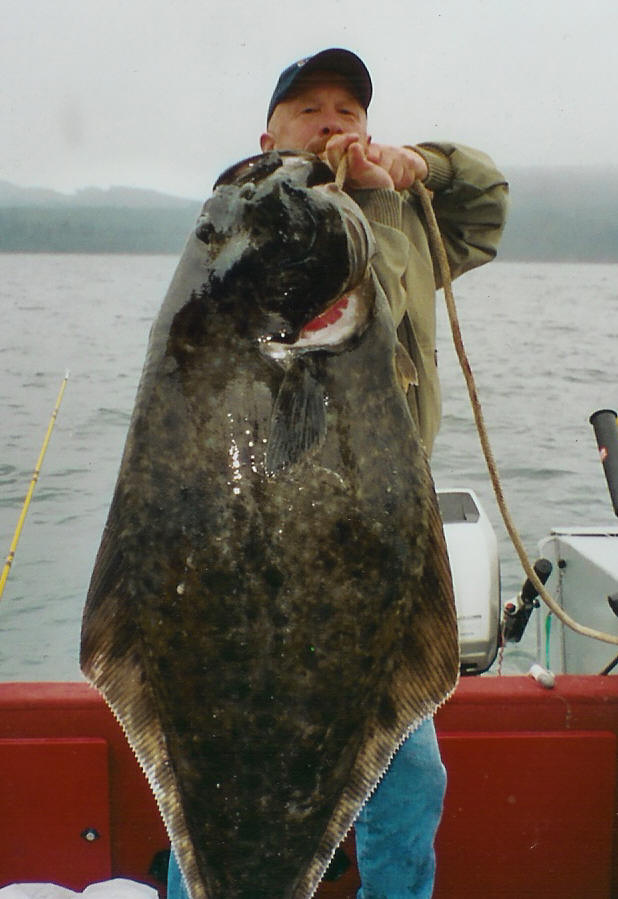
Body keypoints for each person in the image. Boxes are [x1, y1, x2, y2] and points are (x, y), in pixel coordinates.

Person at [167, 48, 508, 899]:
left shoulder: (400, 215)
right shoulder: (239, 232)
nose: (333, 123)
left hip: (377, 533)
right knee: (212, 777)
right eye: (310, 109)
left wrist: (414, 166)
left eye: (348, 111)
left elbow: (488, 201)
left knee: (407, 774)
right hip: (246, 536)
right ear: (269, 133)